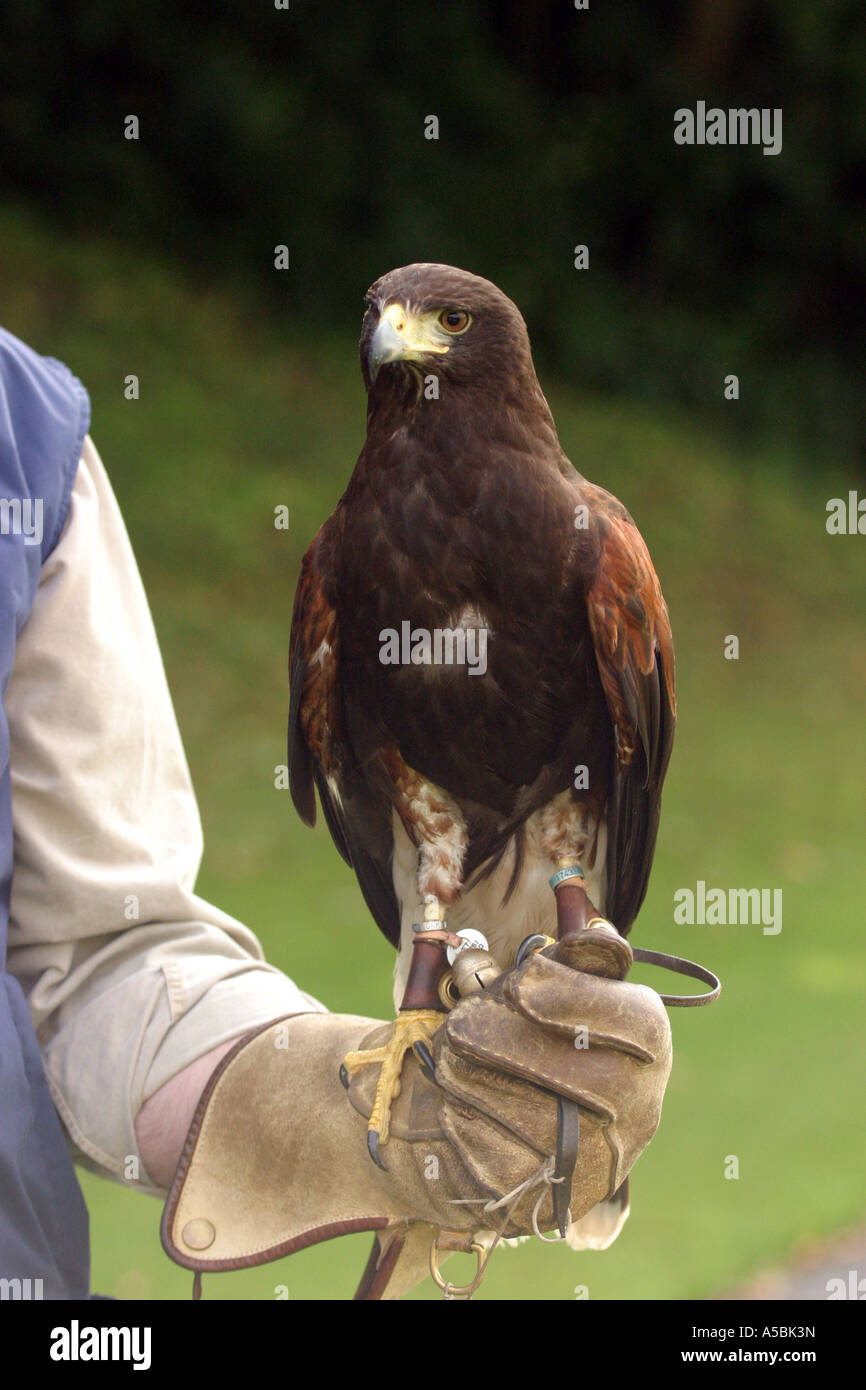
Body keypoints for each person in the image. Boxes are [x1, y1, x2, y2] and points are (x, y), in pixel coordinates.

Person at [0, 326, 672, 1301]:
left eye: (436, 324)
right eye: (387, 318)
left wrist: (333, 1103)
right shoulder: (339, 565)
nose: (397, 333)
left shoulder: (28, 435)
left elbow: (100, 948)